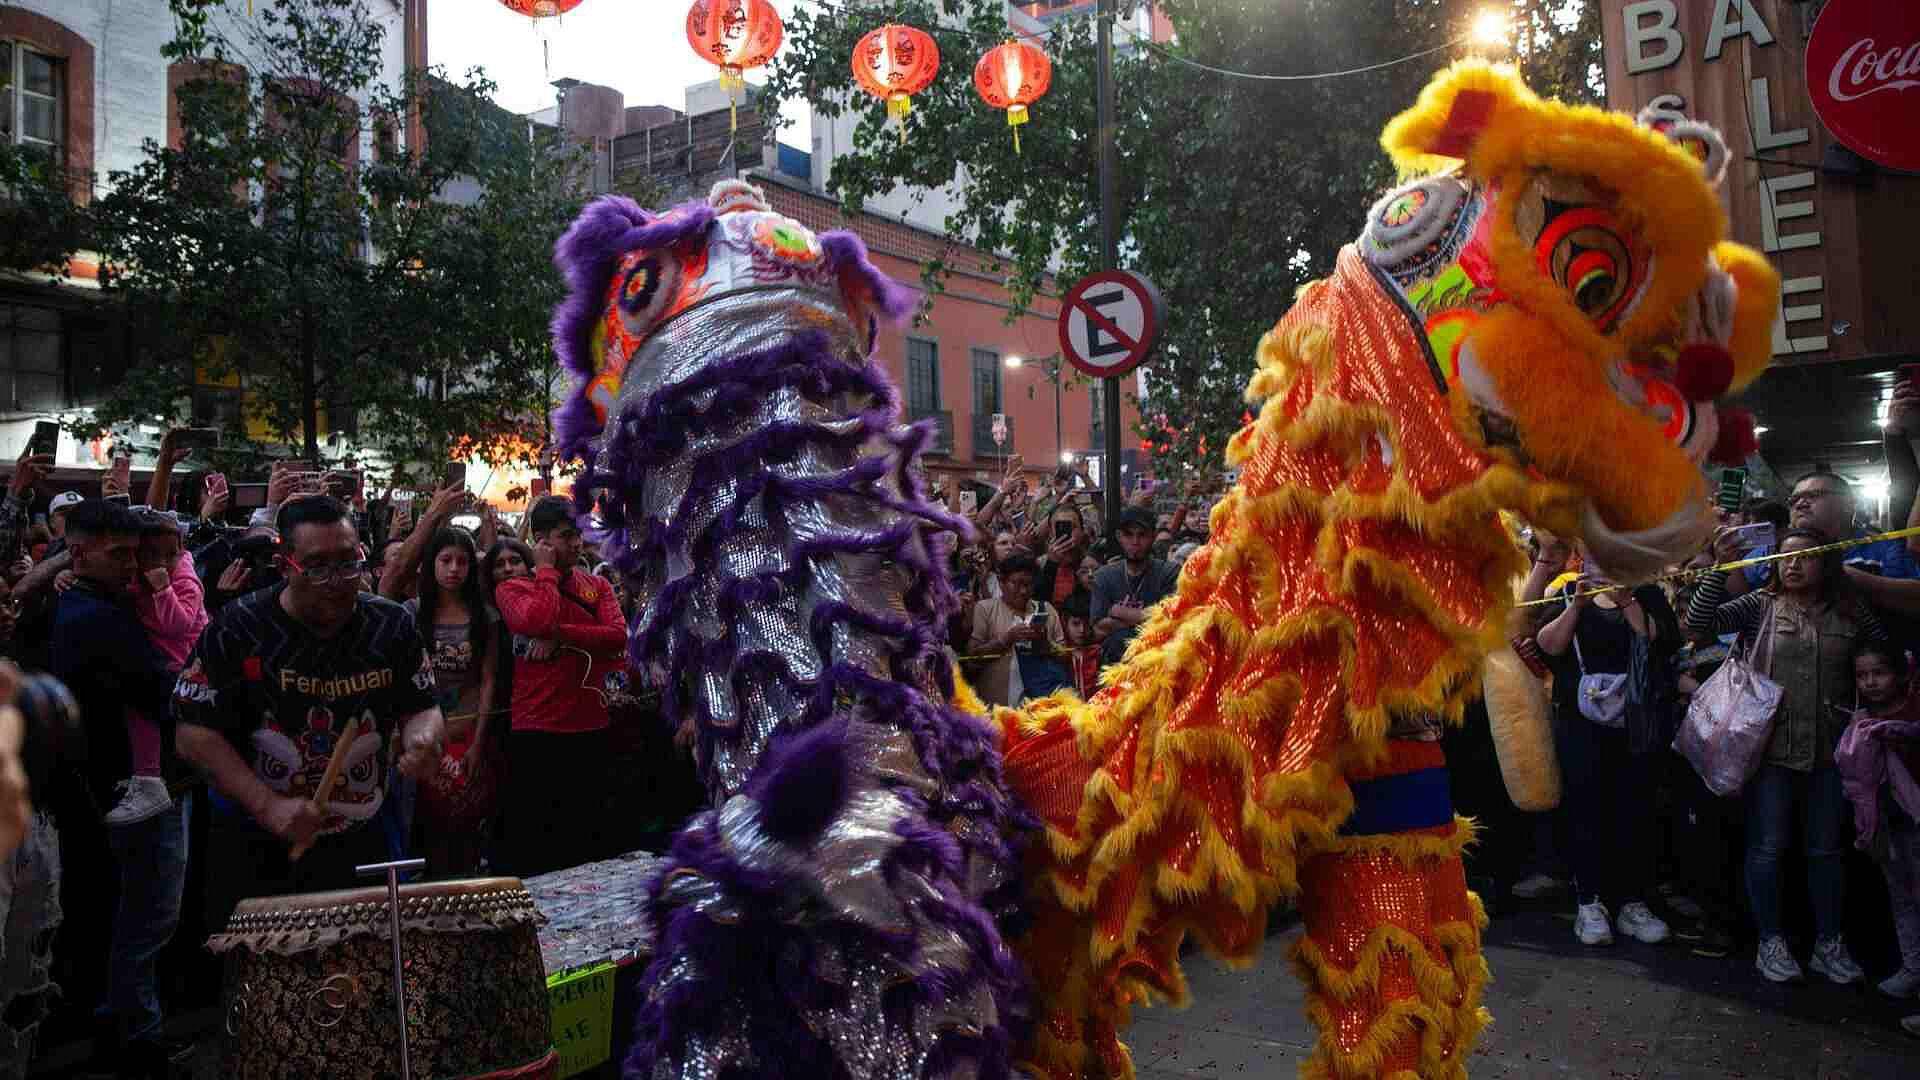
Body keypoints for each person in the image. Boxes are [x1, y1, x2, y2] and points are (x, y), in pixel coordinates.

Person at [174, 495, 444, 930]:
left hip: (361, 836)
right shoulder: (239, 626)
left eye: (348, 562)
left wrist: (422, 738)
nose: (338, 580)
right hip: (256, 838)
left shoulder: (391, 624)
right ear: (285, 564)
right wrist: (267, 806)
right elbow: (192, 733)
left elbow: (423, 705)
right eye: (317, 566)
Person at [1688, 526, 1886, 984]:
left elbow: (1881, 655)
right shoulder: (1760, 605)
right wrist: (1720, 567)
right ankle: (1771, 942)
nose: (1792, 564)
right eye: (1784, 557)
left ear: (1827, 563)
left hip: (1833, 754)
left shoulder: (1851, 611)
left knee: (1826, 851)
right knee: (1767, 848)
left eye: (1805, 556)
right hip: (1768, 751)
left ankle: (1828, 945)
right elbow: (1701, 624)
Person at [47, 500, 190, 1076]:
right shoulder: (93, 618)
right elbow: (161, 693)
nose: (133, 566)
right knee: (148, 916)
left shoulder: (95, 602)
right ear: (79, 553)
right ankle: (136, 1036)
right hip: (131, 789)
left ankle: (126, 1026)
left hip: (122, 786)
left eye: (138, 555)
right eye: (120, 555)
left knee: (135, 915)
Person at [1535, 559, 1680, 948]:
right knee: (1585, 808)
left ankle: (1632, 902)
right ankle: (1589, 902)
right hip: (1580, 724)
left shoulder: (1647, 594)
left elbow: (1663, 641)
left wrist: (1628, 601)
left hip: (1635, 721)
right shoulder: (1568, 592)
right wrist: (1577, 606)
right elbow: (1547, 647)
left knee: (1635, 808)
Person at [492, 497, 626, 877]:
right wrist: (546, 573)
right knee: (540, 844)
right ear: (542, 541)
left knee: (588, 841)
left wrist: (562, 637)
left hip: (591, 725)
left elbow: (616, 636)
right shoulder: (513, 588)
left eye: (579, 534)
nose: (577, 543)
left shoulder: (597, 585)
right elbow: (536, 620)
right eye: (566, 536)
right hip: (537, 729)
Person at [404, 527, 503, 877]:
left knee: (464, 821)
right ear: (430, 564)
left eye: (462, 561)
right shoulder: (413, 613)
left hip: (468, 731)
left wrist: (478, 742)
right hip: (423, 735)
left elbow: (488, 679)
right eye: (445, 560)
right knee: (425, 825)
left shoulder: (484, 616)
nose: (454, 569)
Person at [103, 510, 208, 828]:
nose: (163, 561)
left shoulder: (186, 582)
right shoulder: (139, 579)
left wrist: (164, 589)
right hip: (164, 661)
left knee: (143, 713)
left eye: (171, 554)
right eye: (152, 554)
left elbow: (177, 625)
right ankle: (143, 775)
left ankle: (149, 780)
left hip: (186, 666)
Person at [1835, 641, 1920, 1007]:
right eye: (1862, 675)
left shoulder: (1913, 714)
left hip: (1914, 820)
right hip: (1886, 824)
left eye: (1879, 673)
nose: (1870, 682)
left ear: (1900, 675)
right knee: (1901, 896)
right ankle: (1913, 967)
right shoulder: (1859, 720)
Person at [967, 553, 1069, 707]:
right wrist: (1007, 639)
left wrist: (1043, 644)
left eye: (1028, 585)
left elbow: (1065, 657)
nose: (1023, 591)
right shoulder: (985, 608)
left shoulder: (1046, 609)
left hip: (1042, 706)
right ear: (1001, 582)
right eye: (1016, 584)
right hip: (998, 706)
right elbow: (971, 660)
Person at [1091, 507, 1181, 665]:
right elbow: (1098, 629)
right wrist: (1145, 618)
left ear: (1153, 537)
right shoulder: (1104, 576)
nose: (1135, 542)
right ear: (1119, 537)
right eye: (1128, 535)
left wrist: (1118, 611)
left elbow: (1171, 622)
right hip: (1114, 665)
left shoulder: (1169, 572)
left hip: (1157, 660)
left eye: (1142, 535)